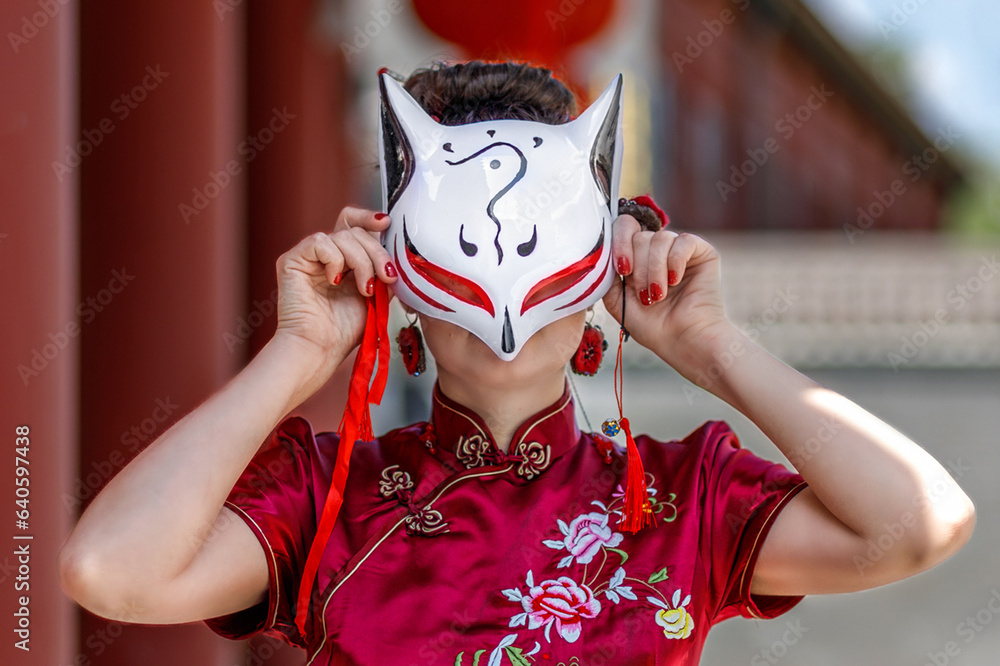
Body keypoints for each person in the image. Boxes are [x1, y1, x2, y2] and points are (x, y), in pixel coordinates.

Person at [59, 61, 976, 665]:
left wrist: (715, 350)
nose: (505, 301)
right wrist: (301, 353)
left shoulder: (679, 503)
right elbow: (110, 571)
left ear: (596, 281)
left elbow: (921, 523)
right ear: (404, 284)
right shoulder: (329, 504)